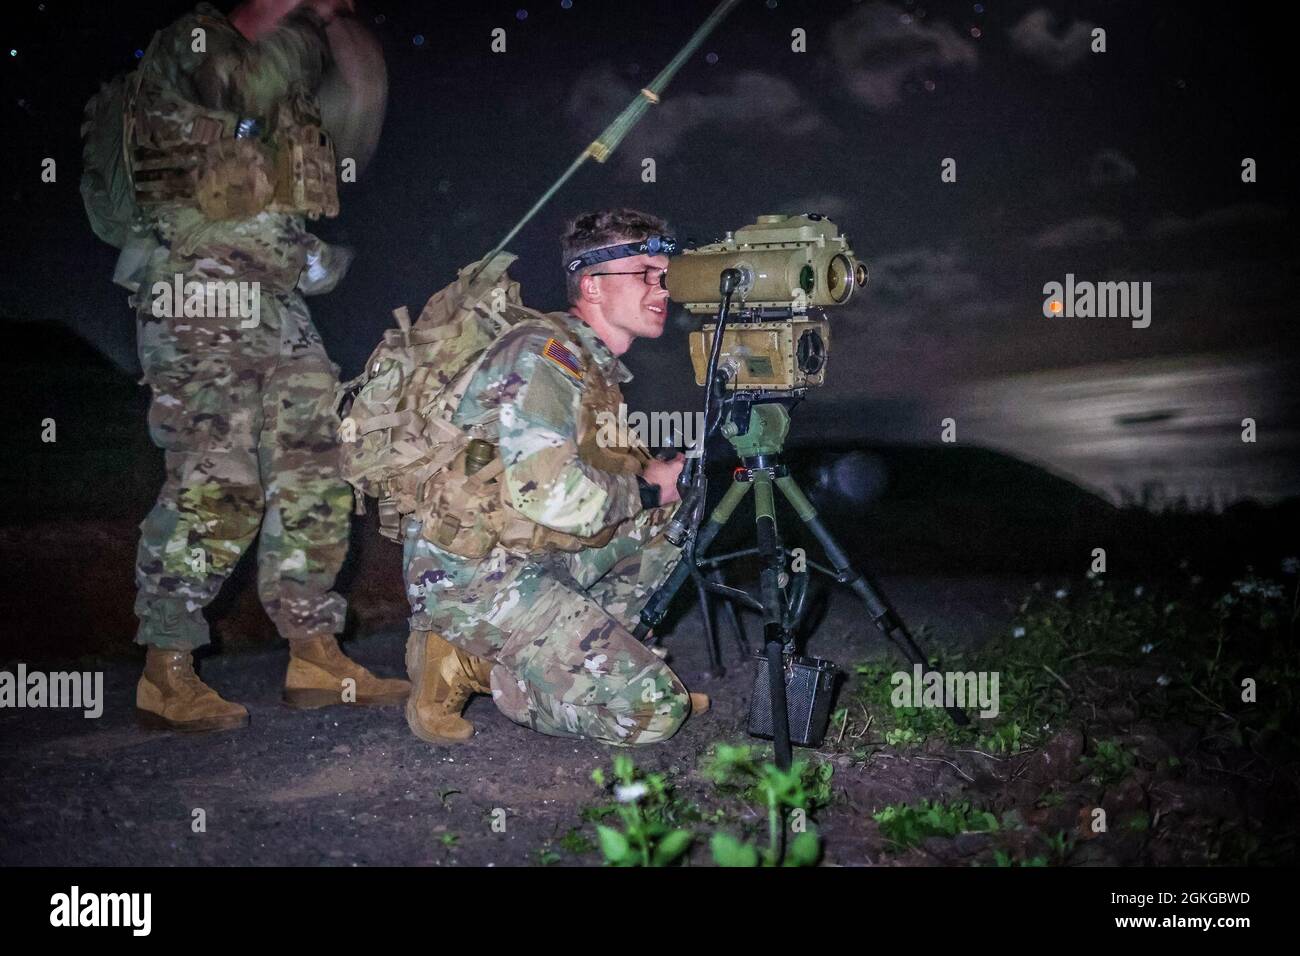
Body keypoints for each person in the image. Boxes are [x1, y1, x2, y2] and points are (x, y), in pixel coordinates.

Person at [128, 0, 408, 731]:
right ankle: (166, 668)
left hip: (278, 301)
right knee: (217, 483)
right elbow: (234, 73)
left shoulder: (290, 89)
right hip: (197, 293)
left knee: (317, 476)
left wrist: (341, 23)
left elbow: (359, 112)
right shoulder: (190, 45)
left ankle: (314, 653)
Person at [402, 208, 710, 746]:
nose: (664, 289)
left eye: (666, 276)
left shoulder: (592, 368)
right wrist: (645, 486)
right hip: (476, 577)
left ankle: (600, 666)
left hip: (534, 554)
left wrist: (661, 487)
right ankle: (473, 662)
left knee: (675, 510)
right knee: (655, 713)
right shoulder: (545, 355)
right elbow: (549, 495)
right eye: (645, 274)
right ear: (591, 284)